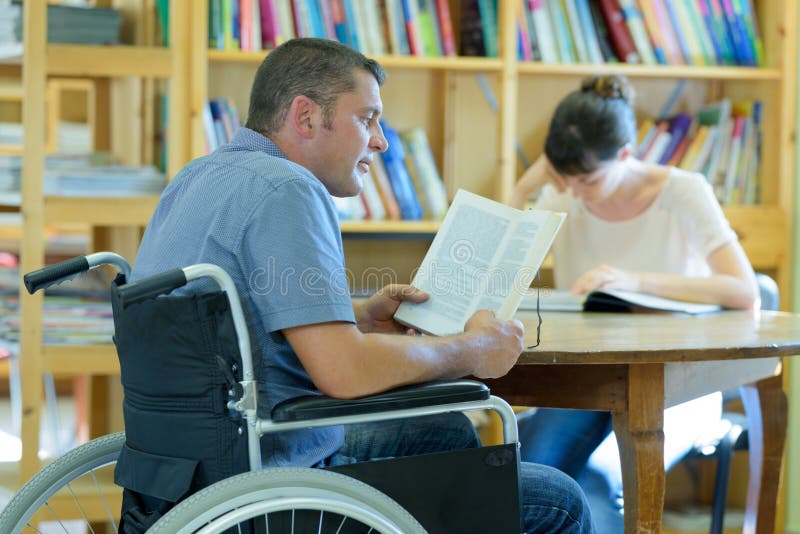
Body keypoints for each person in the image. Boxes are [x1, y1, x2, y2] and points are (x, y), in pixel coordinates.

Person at [130, 38, 594, 532]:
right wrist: (471, 350)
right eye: (367, 118)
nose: (381, 141)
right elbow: (344, 374)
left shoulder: (197, 176)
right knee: (558, 499)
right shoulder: (289, 188)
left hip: (188, 473)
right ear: (306, 116)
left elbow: (224, 323)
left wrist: (354, 318)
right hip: (275, 481)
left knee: (441, 432)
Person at [510, 74, 759, 531]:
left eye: (588, 179)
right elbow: (500, 271)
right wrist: (523, 191)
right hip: (586, 380)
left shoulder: (683, 191)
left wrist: (636, 281)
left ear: (625, 155)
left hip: (676, 383)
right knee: (532, 477)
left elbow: (744, 291)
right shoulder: (563, 191)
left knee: (602, 480)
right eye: (565, 180)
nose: (576, 193)